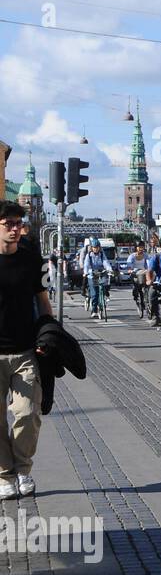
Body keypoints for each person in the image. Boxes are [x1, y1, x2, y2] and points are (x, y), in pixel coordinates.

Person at [0, 202, 54, 501]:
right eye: (8, 222)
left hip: (25, 351)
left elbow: (43, 301)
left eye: (18, 223)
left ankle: (22, 469)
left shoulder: (33, 260)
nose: (15, 227)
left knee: (27, 413)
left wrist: (50, 334)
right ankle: (4, 475)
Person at [81, 238, 112, 317]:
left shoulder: (102, 254)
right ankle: (94, 310)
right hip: (92, 274)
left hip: (101, 273)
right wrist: (86, 272)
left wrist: (109, 270)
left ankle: (105, 296)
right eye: (94, 247)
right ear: (92, 248)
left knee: (105, 284)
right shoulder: (89, 256)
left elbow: (106, 262)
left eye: (97, 247)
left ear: (99, 247)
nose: (96, 249)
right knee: (94, 294)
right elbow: (86, 265)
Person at [125, 243, 150, 312]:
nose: (141, 249)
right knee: (136, 287)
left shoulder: (145, 255)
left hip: (143, 273)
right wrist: (130, 269)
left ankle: (147, 300)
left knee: (147, 287)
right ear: (136, 248)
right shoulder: (132, 256)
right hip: (135, 274)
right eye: (139, 247)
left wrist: (150, 269)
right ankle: (136, 296)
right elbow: (129, 263)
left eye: (142, 247)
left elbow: (149, 264)